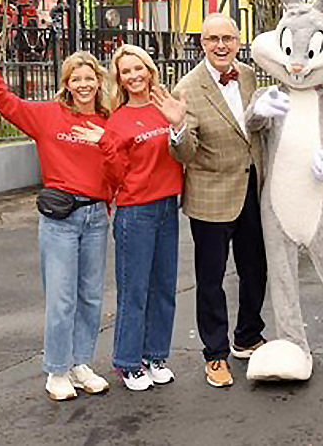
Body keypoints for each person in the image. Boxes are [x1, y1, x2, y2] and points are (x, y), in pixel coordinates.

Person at [0, 23, 110, 401]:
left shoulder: (106, 121)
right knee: (62, 297)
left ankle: (80, 362)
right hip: (62, 220)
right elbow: (5, 101)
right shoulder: (48, 116)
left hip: (97, 217)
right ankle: (57, 370)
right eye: (76, 79)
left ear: (98, 83)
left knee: (90, 296)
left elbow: (121, 165)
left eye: (89, 78)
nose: (83, 85)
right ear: (66, 83)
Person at [150, 13, 267, 388]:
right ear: (202, 43)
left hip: (252, 189)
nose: (221, 46)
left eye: (228, 38)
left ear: (238, 41)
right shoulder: (188, 87)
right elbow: (184, 154)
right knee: (212, 280)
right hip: (211, 197)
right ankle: (215, 354)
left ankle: (247, 336)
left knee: (255, 270)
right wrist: (177, 127)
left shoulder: (247, 75)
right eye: (213, 39)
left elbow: (254, 130)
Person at [72, 44, 183, 391]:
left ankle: (155, 356)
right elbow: (116, 175)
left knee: (164, 288)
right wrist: (107, 143)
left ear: (150, 70)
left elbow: (183, 151)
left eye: (139, 68)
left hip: (168, 207)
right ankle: (128, 362)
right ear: (119, 79)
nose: (134, 76)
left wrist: (178, 122)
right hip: (136, 212)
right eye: (126, 71)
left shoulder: (165, 107)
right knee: (135, 290)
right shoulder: (117, 120)